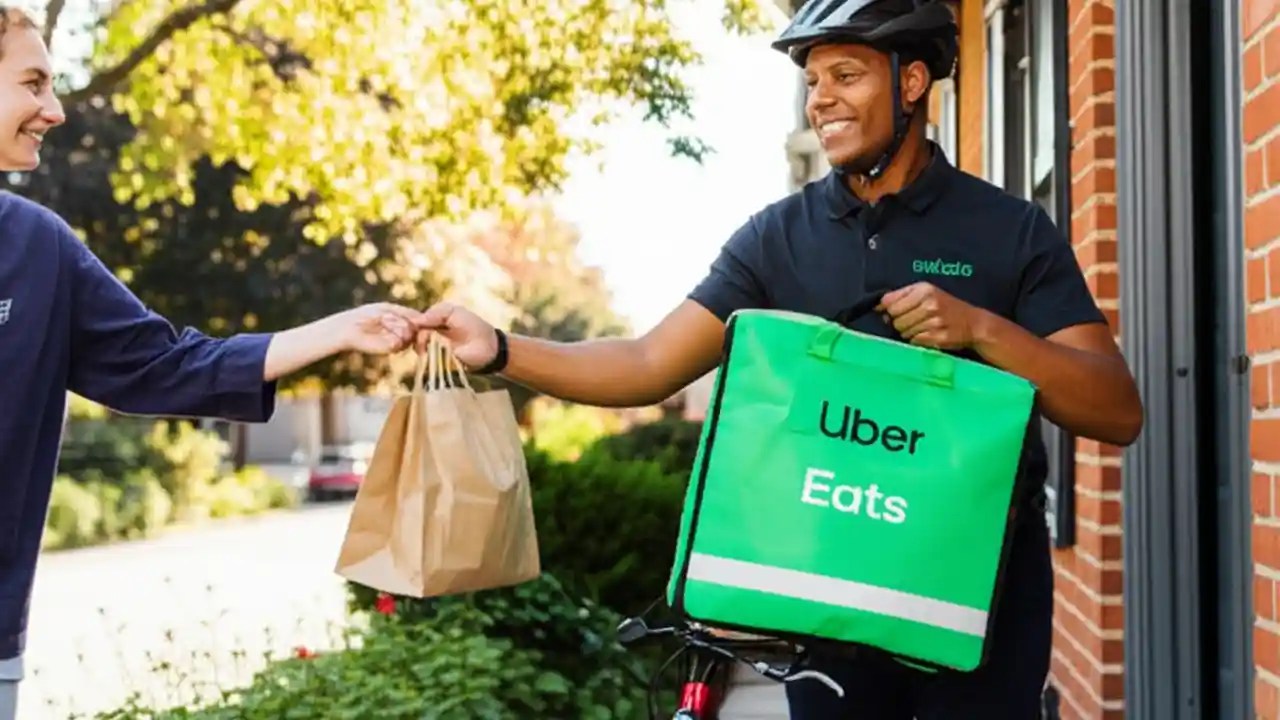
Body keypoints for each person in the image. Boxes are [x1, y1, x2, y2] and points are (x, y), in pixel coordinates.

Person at [421, 0, 1144, 717]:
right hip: (828, 599)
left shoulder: (1010, 230)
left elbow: (1114, 408)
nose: (819, 98)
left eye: (846, 75)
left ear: (913, 82)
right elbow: (647, 363)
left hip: (979, 600)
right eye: (812, 80)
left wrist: (985, 331)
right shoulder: (778, 238)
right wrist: (499, 349)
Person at [0, 7, 427, 717]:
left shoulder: (37, 249)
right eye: (34, 83)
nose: (57, 109)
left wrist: (337, 331)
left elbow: (165, 365)